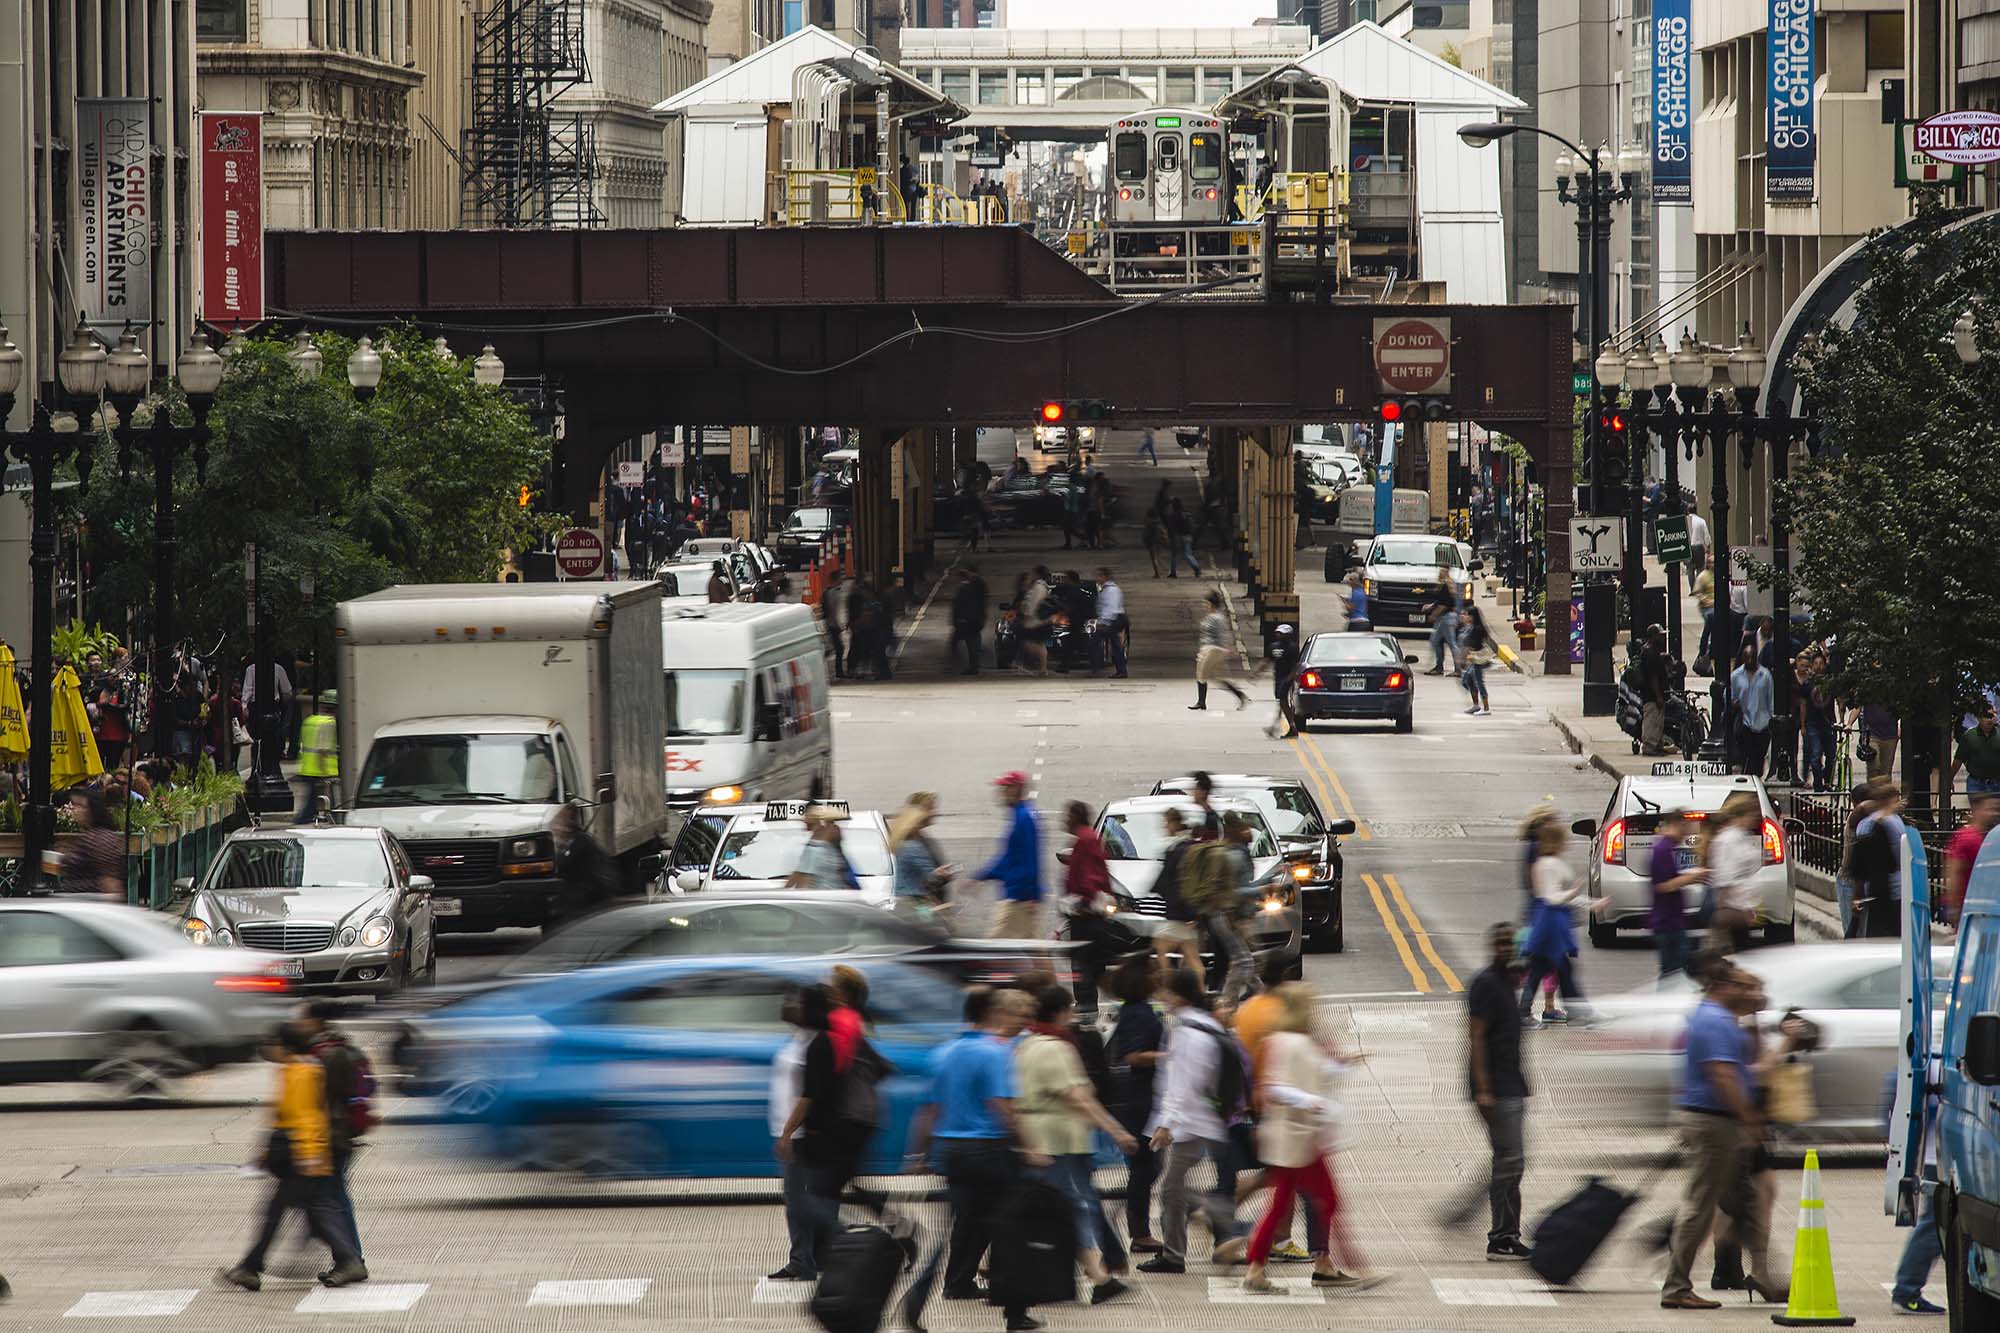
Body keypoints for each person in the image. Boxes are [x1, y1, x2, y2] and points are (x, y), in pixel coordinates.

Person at [900, 988, 1040, 1333]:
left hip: (951, 1152)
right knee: (1009, 1228)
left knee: (962, 1224)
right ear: (992, 1012)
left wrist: (918, 1154)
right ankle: (1015, 1313)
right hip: (989, 1151)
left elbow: (929, 1110)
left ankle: (941, 1290)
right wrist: (1029, 1145)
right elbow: (1002, 1106)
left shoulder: (942, 1053)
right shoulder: (995, 1052)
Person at [1241, 982, 1381, 1293]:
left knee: (1280, 1206)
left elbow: (1318, 1072)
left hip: (1298, 1139)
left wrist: (1343, 1064)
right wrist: (1308, 1100)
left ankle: (1257, 1269)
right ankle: (1354, 1266)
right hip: (1297, 1139)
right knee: (1327, 1201)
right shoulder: (1289, 1042)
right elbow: (1274, 1087)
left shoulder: (1290, 1041)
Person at [1660, 964, 1784, 1309]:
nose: (1751, 994)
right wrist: (1749, 1118)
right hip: (1715, 1124)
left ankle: (1762, 1275)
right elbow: (1723, 1076)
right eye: (1743, 987)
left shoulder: (1722, 1019)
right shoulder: (1714, 1021)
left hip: (1718, 1122)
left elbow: (1747, 1065)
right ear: (1723, 986)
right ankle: (1676, 1288)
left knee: (1744, 1202)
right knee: (1700, 1206)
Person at [222, 1023, 367, 1292]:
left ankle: (347, 1260)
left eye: (272, 1043)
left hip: (299, 1154)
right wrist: (266, 1153)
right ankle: (250, 1267)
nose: (268, 1049)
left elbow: (308, 1118)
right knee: (292, 1210)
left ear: (285, 1047)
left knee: (307, 1210)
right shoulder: (291, 1071)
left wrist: (310, 1156)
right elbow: (282, 1117)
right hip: (294, 1153)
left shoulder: (301, 1073)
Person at [1016, 986, 1138, 1304]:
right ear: (1061, 1012)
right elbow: (1078, 1097)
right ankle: (1098, 1277)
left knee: (1062, 1207)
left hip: (1039, 1137)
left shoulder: (1025, 1044)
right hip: (1061, 1141)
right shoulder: (1056, 1048)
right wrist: (1116, 1131)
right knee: (1076, 1206)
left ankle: (1095, 1273)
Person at [1138, 968, 1248, 1275]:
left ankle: (1190, 1246)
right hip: (1201, 1119)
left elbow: (1184, 1084)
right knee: (1173, 1189)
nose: (1160, 997)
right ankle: (1176, 1252)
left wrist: (1166, 1124)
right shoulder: (1200, 1025)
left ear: (1177, 996)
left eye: (1165, 992)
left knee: (1172, 1190)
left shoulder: (1189, 1033)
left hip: (1193, 1121)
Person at [1462, 924, 1532, 1260]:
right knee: (1510, 1161)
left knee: (1509, 1162)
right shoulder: (1485, 985)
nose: (1506, 948)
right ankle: (1500, 1235)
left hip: (1511, 1084)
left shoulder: (1508, 982)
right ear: (1492, 946)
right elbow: (1475, 1037)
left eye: (1510, 943)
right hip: (1496, 1088)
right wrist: (1483, 1089)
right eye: (1501, 943)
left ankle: (1505, 1233)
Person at [297, 1001, 368, 1277]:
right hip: (343, 1134)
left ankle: (350, 1258)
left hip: (331, 1137)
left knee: (330, 1199)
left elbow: (321, 1101)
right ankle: (348, 1257)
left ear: (315, 1022)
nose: (299, 1024)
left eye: (302, 1019)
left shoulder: (324, 1055)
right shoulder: (345, 1049)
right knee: (333, 1197)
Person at [1515, 818, 1604, 1025]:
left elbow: (1557, 895)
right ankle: (1576, 1012)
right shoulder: (1550, 864)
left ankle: (1574, 1011)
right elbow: (1552, 896)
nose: (1567, 843)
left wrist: (1591, 903)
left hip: (1549, 920)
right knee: (1552, 968)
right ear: (1556, 841)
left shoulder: (1543, 863)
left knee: (1554, 968)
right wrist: (1577, 895)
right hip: (1551, 923)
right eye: (1564, 839)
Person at [1105, 958, 1165, 1256]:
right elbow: (1134, 1056)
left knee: (1149, 1165)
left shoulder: (1134, 1011)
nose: (1160, 977)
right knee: (1146, 1165)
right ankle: (1139, 1231)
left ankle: (1137, 1226)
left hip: (1140, 1096)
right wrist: (1169, 1056)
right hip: (1140, 1099)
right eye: (1154, 973)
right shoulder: (1140, 1015)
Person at [766, 988, 820, 1281]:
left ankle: (804, 1260)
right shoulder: (797, 1040)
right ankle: (805, 1258)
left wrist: (789, 1131)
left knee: (799, 1202)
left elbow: (808, 1095)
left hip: (798, 1135)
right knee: (799, 1201)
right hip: (788, 1132)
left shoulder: (810, 1044)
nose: (786, 1004)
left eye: (795, 1001)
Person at [1059, 800, 1117, 1010]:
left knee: (1085, 966)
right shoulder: (1088, 838)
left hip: (1086, 917)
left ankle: (1086, 1008)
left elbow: (1088, 879)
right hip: (1090, 915)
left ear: (1076, 817)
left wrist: (1080, 903)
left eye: (1068, 816)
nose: (1064, 820)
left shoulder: (1085, 840)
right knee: (1092, 966)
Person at [976, 772, 1043, 939]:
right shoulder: (1020, 815)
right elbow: (1009, 857)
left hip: (1018, 898)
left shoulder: (1023, 817)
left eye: (1004, 788)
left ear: (1016, 789)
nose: (1000, 792)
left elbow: (1030, 859)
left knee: (993, 947)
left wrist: (1030, 895)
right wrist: (982, 877)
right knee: (1034, 949)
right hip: (1019, 896)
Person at [1697, 791, 1763, 952]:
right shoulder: (1728, 840)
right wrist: (1736, 908)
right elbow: (1725, 879)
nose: (1753, 819)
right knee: (1735, 955)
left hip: (1740, 908)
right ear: (1741, 815)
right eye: (1751, 814)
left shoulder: (1741, 836)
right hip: (1733, 909)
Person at [1649, 807, 1708, 977]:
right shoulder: (1662, 850)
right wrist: (1693, 877)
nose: (1687, 834)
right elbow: (1663, 886)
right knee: (1672, 973)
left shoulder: (1667, 848)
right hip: (1666, 922)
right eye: (1686, 828)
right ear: (1678, 824)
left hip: (1674, 921)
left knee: (1675, 972)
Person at [1151, 806, 1205, 987]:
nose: (1165, 826)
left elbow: (1175, 882)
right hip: (1189, 911)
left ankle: (1168, 987)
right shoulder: (1190, 846)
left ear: (1174, 823)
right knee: (1191, 956)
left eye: (1167, 822)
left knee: (1160, 946)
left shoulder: (1177, 849)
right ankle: (1198, 990)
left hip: (1180, 913)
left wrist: (1186, 911)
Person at [1851, 782, 1908, 938]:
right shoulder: (1896, 820)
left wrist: (1857, 896)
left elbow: (1861, 863)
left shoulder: (1871, 824)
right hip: (1900, 890)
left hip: (1880, 892)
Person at [889, 792, 954, 921]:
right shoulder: (913, 846)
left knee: (929, 927)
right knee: (929, 928)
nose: (935, 812)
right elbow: (931, 878)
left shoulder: (904, 842)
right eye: (931, 808)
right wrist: (941, 874)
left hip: (907, 902)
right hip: (916, 903)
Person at [1942, 793, 1998, 929]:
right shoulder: (1968, 838)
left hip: (1978, 906)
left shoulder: (1980, 837)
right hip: (1968, 906)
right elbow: (1954, 871)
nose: (1994, 813)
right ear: (1976, 811)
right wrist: (1954, 905)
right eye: (1989, 809)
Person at [57, 787, 125, 899]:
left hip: (90, 904)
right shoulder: (91, 835)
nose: (75, 809)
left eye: (80, 806)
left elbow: (110, 883)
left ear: (93, 809)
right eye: (74, 804)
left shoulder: (101, 839)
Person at [1191, 591, 1248, 712]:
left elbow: (1222, 635)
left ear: (1211, 604)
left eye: (1206, 603)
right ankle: (1241, 696)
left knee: (1201, 674)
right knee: (1220, 677)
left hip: (1214, 649)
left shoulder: (1217, 618)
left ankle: (1201, 702)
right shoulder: (1211, 616)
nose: (1204, 605)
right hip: (1209, 649)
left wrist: (1227, 649)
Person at [293, 690, 338, 825]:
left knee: (311, 802)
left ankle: (304, 820)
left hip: (307, 769)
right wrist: (324, 772)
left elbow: (301, 745)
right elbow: (322, 750)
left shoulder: (309, 721)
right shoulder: (329, 722)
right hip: (320, 771)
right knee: (321, 803)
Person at [786, 807, 855, 892]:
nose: (837, 829)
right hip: (834, 896)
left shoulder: (816, 849)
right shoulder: (827, 849)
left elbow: (800, 876)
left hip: (824, 897)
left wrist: (784, 893)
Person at [1730, 644, 1774, 777]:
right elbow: (1730, 696)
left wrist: (1772, 720)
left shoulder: (1765, 675)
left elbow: (1771, 699)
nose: (1749, 660)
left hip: (1762, 723)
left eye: (1752, 657)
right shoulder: (1736, 676)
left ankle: (1756, 780)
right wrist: (1734, 704)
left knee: (1759, 758)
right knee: (1747, 757)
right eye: (1746, 657)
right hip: (1745, 723)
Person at [1952, 701, 2000, 797]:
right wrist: (1950, 779)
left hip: (1997, 784)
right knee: (1979, 812)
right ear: (1978, 718)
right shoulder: (1969, 736)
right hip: (1976, 784)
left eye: (1992, 716)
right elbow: (1958, 760)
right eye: (1986, 716)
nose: (1989, 719)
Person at [1638, 624, 1671, 754]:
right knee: (1652, 719)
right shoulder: (1649, 652)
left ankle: (1657, 744)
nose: (1662, 637)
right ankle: (1649, 745)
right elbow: (1653, 677)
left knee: (1658, 720)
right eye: (1659, 635)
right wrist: (1658, 696)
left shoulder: (1651, 651)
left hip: (1656, 693)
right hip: (1651, 695)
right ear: (1653, 636)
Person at [1424, 564, 1462, 676]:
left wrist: (1434, 615)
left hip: (1446, 618)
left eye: (1442, 571)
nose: (1439, 573)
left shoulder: (1447, 585)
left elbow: (1444, 605)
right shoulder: (1447, 585)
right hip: (1446, 618)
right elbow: (1440, 601)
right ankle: (1439, 666)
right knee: (1436, 641)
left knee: (1451, 643)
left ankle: (1457, 669)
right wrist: (1430, 606)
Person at [1266, 623, 1302, 739]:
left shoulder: (1292, 647)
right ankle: (1284, 727)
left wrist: (1291, 677)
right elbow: (1267, 660)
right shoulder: (1273, 647)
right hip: (1278, 677)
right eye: (1278, 633)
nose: (1279, 635)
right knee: (1281, 701)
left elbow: (1296, 664)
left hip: (1286, 677)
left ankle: (1292, 727)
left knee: (1282, 701)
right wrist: (1255, 673)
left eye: (1282, 633)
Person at [951, 565, 987, 675]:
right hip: (974, 618)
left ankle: (971, 666)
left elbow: (962, 605)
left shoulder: (969, 587)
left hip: (969, 619)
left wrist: (959, 619)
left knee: (969, 643)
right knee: (971, 642)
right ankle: (973, 665)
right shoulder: (977, 584)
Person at [1459, 606, 1495, 717]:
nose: (1465, 617)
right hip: (1474, 659)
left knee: (1479, 683)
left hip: (1478, 660)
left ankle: (1486, 707)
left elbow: (1470, 646)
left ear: (1472, 616)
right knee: (1467, 680)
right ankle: (1476, 705)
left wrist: (1463, 659)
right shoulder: (1471, 627)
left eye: (1467, 615)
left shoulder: (1476, 629)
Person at [1092, 568, 1128, 678]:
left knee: (1096, 641)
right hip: (1113, 620)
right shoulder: (1107, 589)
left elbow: (1110, 608)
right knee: (1115, 645)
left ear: (1105, 577)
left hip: (1113, 620)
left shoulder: (1111, 590)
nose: (1097, 578)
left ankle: (1098, 665)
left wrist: (1103, 622)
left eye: (1099, 576)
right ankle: (1120, 670)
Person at [1858, 702, 1900, 784]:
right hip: (1872, 733)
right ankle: (1873, 792)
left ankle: (1884, 793)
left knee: (1886, 770)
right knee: (1874, 765)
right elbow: (1857, 707)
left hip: (1890, 734)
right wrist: (1849, 723)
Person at [822, 571, 850, 679]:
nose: (842, 580)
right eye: (840, 578)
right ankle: (838, 671)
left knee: (836, 648)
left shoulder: (831, 592)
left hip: (831, 624)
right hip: (832, 624)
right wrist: (838, 624)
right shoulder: (833, 593)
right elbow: (833, 610)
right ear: (836, 580)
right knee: (838, 648)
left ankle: (839, 671)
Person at [1166, 497, 1199, 577]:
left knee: (1174, 555)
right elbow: (1192, 527)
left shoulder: (1172, 516)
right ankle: (1196, 568)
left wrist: (1170, 537)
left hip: (1177, 537)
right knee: (1188, 554)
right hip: (1187, 536)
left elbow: (1171, 528)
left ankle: (1173, 572)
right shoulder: (1187, 514)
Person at [898, 153, 920, 219]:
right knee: (913, 206)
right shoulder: (914, 169)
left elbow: (902, 180)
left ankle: (907, 218)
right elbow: (917, 179)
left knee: (905, 206)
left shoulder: (902, 170)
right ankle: (912, 218)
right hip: (914, 190)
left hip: (905, 190)